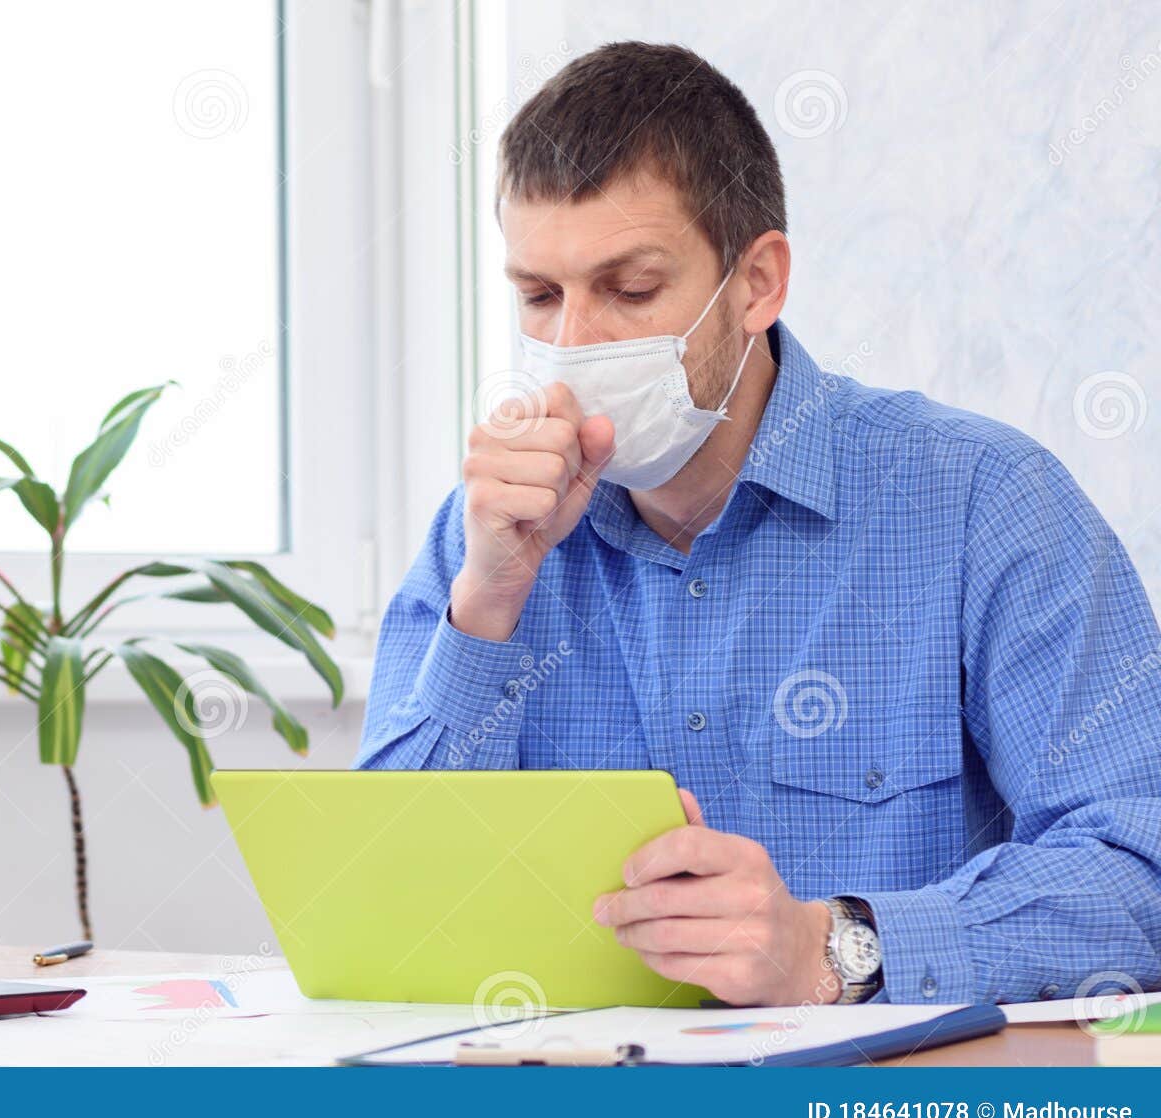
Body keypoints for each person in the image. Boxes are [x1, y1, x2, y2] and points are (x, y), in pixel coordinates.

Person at [357, 41, 1161, 1008]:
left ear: (757, 283)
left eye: (630, 289)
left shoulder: (987, 503)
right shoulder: (485, 536)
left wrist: (836, 947)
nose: (570, 346)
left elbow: (1138, 867)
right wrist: (485, 603)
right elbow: (382, 899)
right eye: (538, 295)